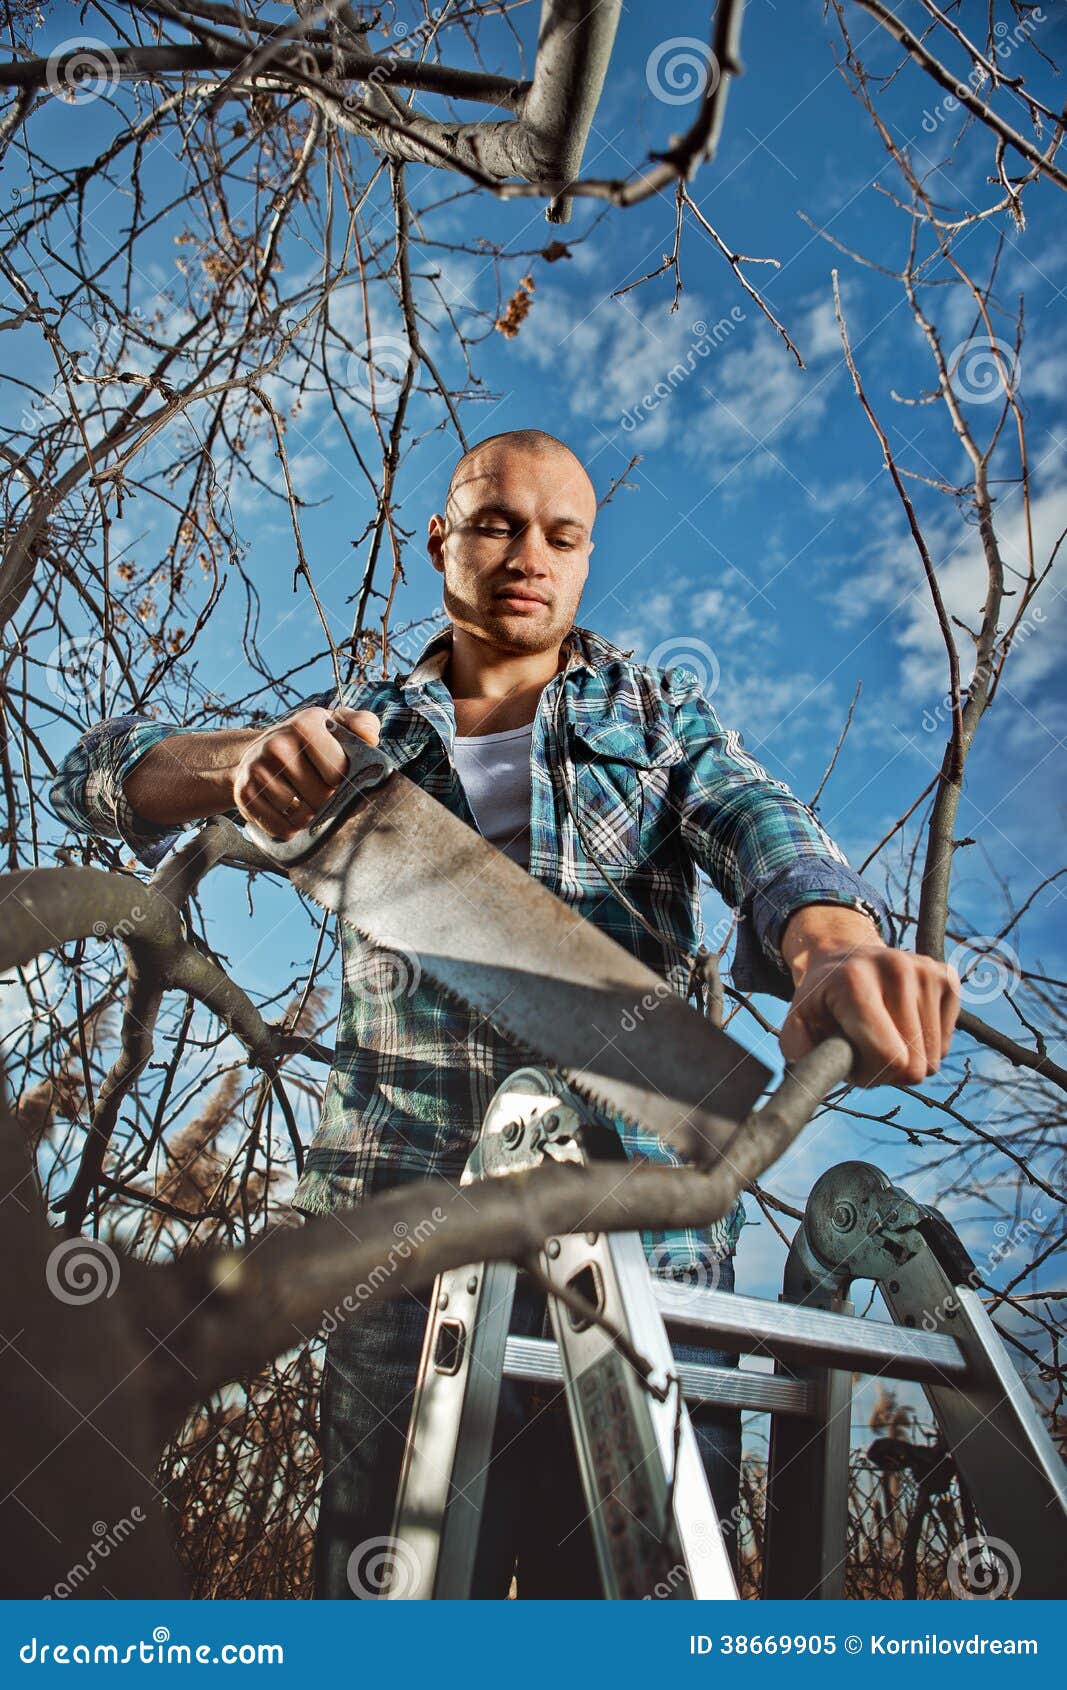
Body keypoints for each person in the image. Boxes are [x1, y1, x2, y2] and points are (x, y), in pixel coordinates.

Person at [52, 428, 961, 1599]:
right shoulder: (354, 731)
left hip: (643, 1250)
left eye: (560, 534)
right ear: (440, 539)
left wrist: (835, 953)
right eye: (494, 522)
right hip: (398, 1257)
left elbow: (760, 827)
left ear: (586, 561)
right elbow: (94, 772)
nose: (527, 552)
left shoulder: (657, 711)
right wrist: (229, 765)